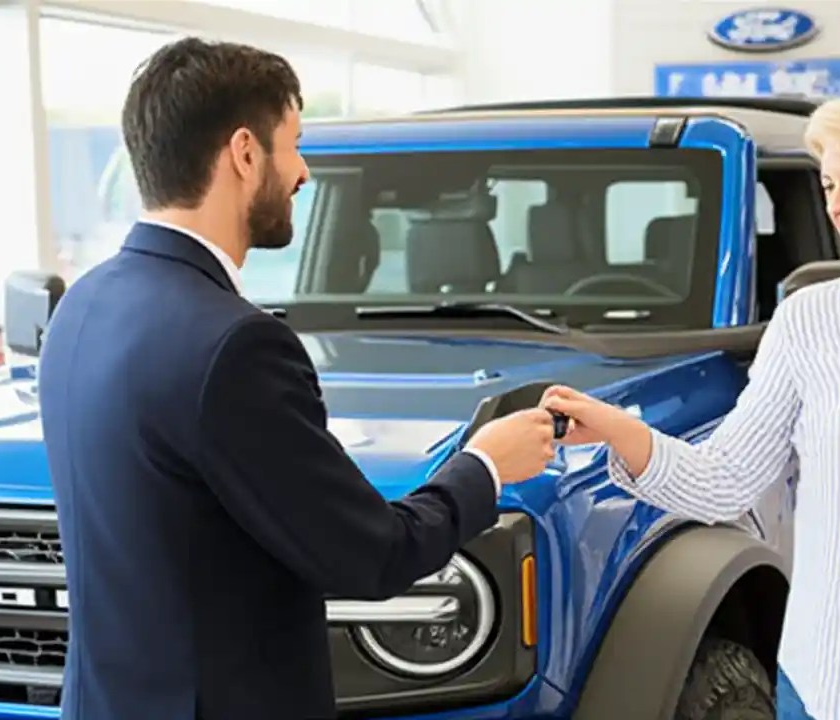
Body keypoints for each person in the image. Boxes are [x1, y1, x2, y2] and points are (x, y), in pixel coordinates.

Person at [36, 37, 559, 720]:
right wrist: (486, 466)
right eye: (295, 144)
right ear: (246, 153)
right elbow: (371, 556)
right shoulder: (235, 345)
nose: (304, 171)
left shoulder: (82, 305)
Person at [540, 81, 840, 719]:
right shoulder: (808, 324)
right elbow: (725, 482)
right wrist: (616, 429)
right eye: (831, 185)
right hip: (835, 688)